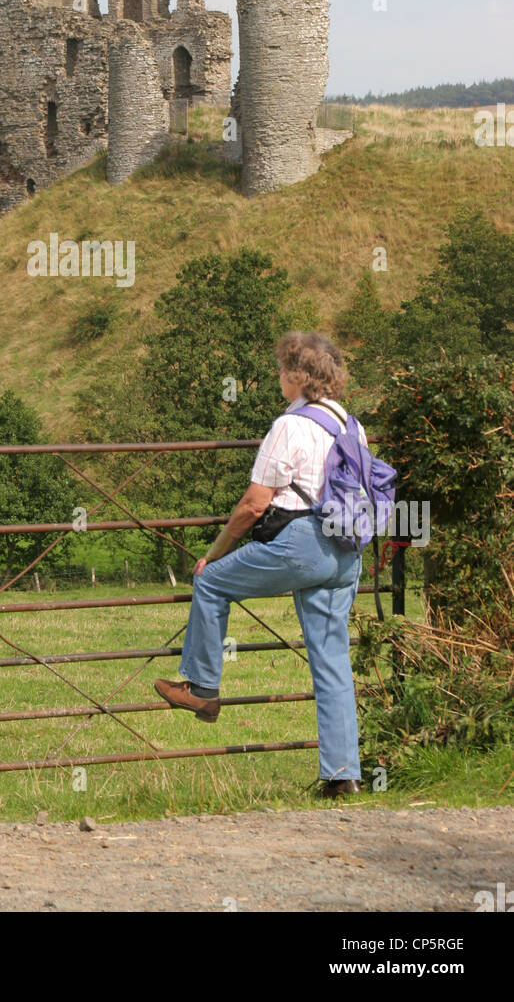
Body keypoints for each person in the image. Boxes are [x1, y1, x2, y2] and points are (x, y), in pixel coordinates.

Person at [154, 330, 368, 798]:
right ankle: (343, 777)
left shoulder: (289, 426)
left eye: (282, 369)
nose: (278, 377)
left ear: (297, 375)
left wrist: (214, 553)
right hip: (345, 551)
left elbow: (253, 505)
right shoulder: (350, 425)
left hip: (302, 543)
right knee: (333, 664)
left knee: (212, 584)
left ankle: (203, 690)